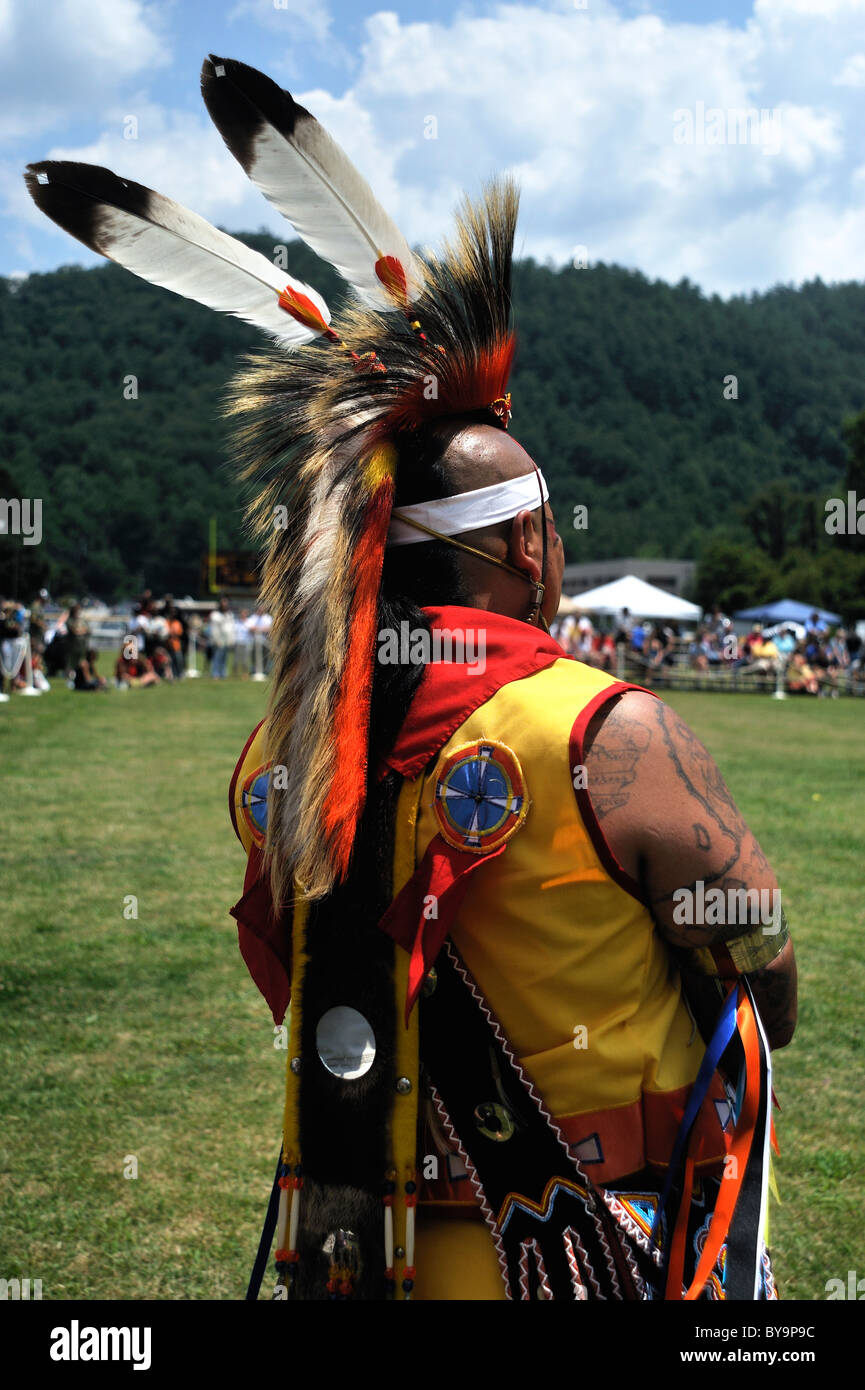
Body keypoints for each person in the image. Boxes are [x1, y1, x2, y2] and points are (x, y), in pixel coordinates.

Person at [29, 52, 797, 1304]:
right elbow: (766, 973)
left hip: (354, 1255)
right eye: (548, 527)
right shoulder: (611, 732)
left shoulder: (287, 752)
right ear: (518, 546)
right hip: (597, 1256)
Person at [208, 597, 235, 680]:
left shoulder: (229, 615)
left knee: (224, 657)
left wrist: (231, 639)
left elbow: (231, 628)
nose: (224, 605)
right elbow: (214, 630)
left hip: (226, 640)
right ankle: (215, 673)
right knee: (217, 657)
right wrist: (217, 640)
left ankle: (223, 673)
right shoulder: (215, 615)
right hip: (218, 640)